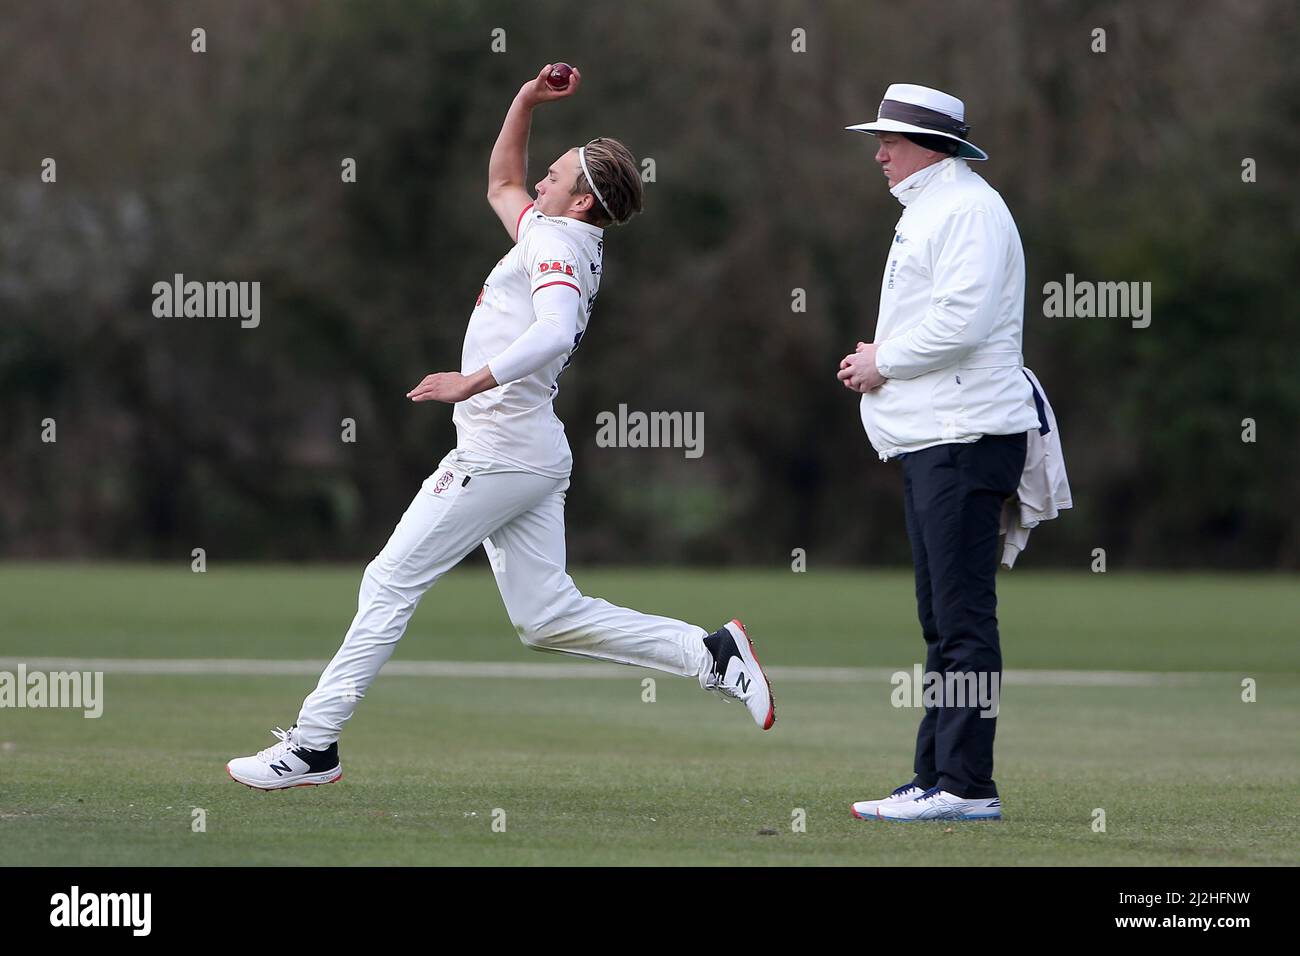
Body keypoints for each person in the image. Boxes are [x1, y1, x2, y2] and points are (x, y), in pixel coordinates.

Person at [227, 65, 774, 791]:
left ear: (582, 200)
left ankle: (314, 746)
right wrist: (524, 102)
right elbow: (499, 184)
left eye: (555, 176)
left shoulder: (557, 247)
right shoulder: (559, 233)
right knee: (546, 617)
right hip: (532, 451)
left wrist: (471, 380)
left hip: (499, 451)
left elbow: (549, 332)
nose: (538, 181)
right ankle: (711, 655)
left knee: (389, 579)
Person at [837, 84, 1038, 821]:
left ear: (930, 146)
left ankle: (965, 785)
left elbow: (961, 321)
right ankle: (934, 778)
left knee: (962, 620)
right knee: (941, 620)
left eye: (889, 141)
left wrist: (880, 363)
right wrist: (883, 359)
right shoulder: (936, 207)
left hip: (966, 437)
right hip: (936, 440)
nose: (880, 154)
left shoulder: (968, 209)